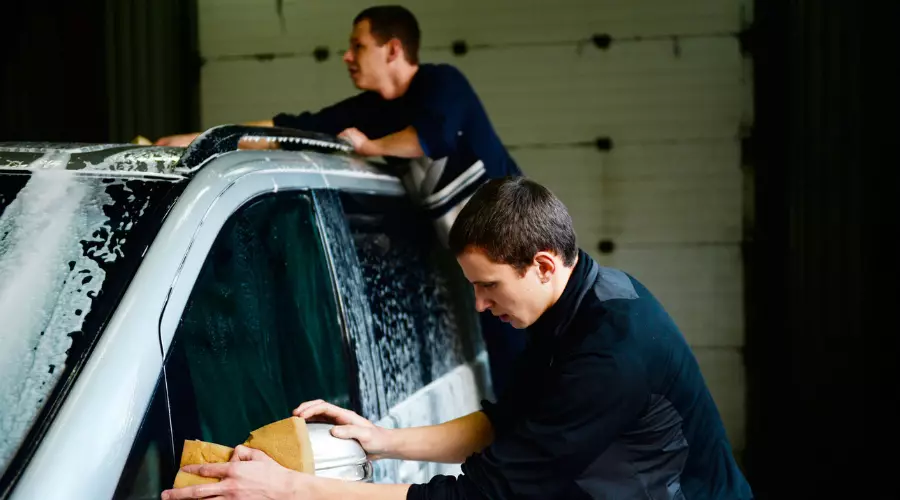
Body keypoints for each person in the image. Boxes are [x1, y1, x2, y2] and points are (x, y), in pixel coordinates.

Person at [162, 176, 754, 500]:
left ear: (543, 265)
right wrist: (379, 441)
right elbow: (509, 422)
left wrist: (292, 490)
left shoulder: (613, 353)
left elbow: (485, 498)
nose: (479, 304)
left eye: (488, 285)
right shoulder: (572, 305)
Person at [156, 5, 524, 396]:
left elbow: (436, 136)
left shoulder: (442, 84)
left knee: (534, 363)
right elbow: (294, 128)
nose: (347, 57)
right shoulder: (373, 110)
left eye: (358, 46)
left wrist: (371, 146)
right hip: (482, 276)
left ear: (393, 49)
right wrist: (204, 138)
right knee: (509, 375)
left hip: (516, 251)